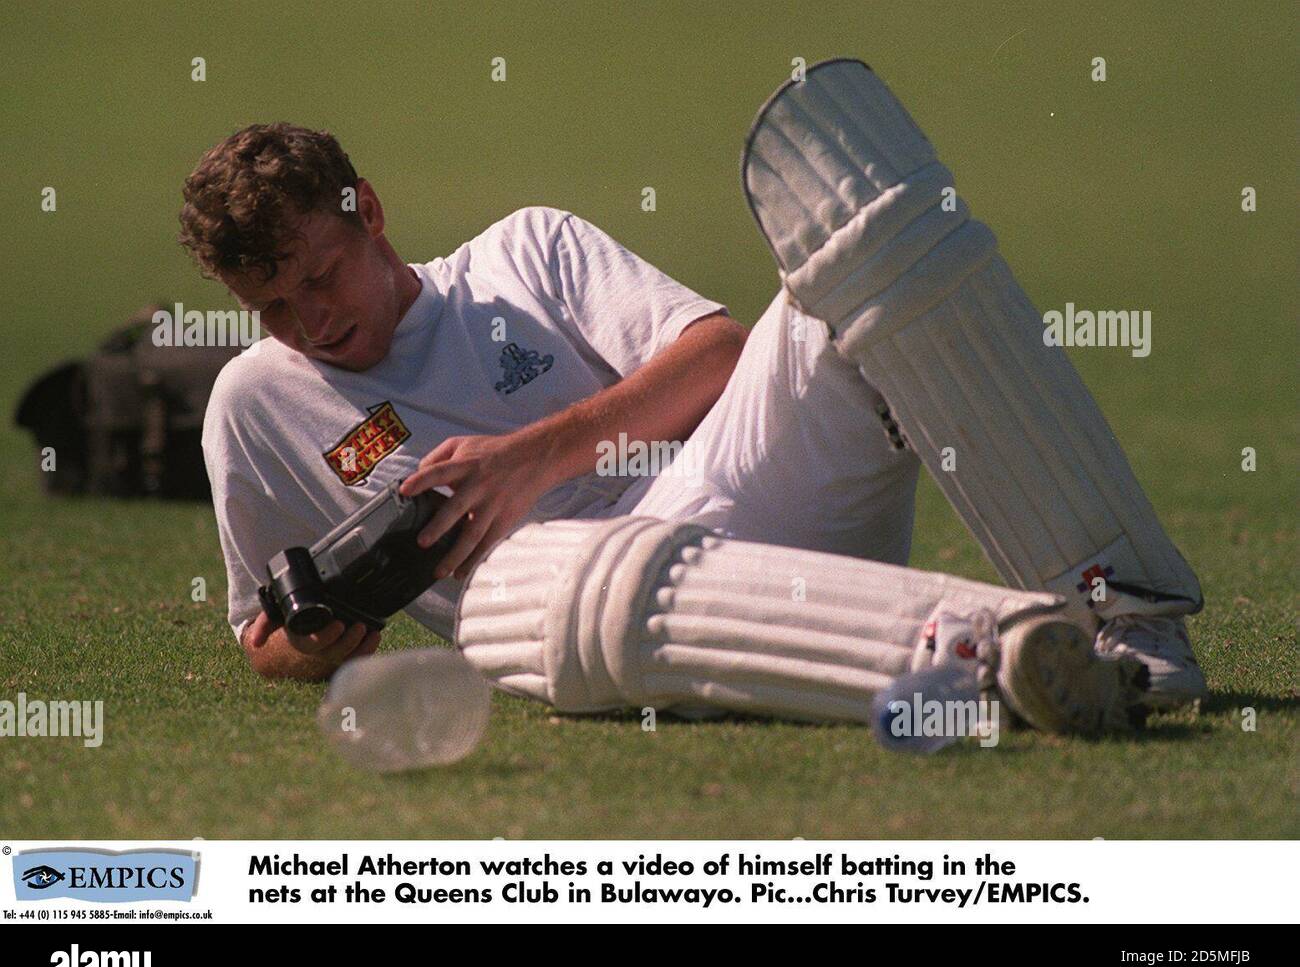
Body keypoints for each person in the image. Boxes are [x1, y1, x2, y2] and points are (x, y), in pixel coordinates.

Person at [187, 60, 1203, 737]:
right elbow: (259, 634)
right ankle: (1011, 657)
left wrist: (533, 456)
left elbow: (717, 355)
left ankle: (1130, 615)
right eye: (271, 307)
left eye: (318, 277)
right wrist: (316, 642)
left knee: (852, 284)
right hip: (558, 624)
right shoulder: (252, 405)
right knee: (524, 577)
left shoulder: (523, 251)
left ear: (366, 211)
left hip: (735, 502)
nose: (308, 323)